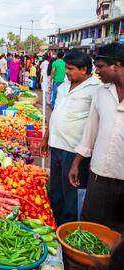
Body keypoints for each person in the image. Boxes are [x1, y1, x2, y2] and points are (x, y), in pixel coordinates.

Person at [40, 50, 101, 226]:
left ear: (83, 70)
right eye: (66, 68)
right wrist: (46, 138)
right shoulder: (64, 86)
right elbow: (56, 112)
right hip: (56, 145)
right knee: (56, 190)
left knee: (71, 192)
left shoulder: (95, 89)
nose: (66, 71)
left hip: (74, 149)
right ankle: (56, 223)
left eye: (71, 68)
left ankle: (68, 227)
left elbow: (94, 125)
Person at [69, 43, 124, 234]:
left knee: (118, 231)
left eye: (100, 66)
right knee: (91, 226)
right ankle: (89, 264)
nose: (97, 71)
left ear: (117, 65)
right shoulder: (101, 93)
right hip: (100, 173)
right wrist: (76, 163)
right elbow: (90, 132)